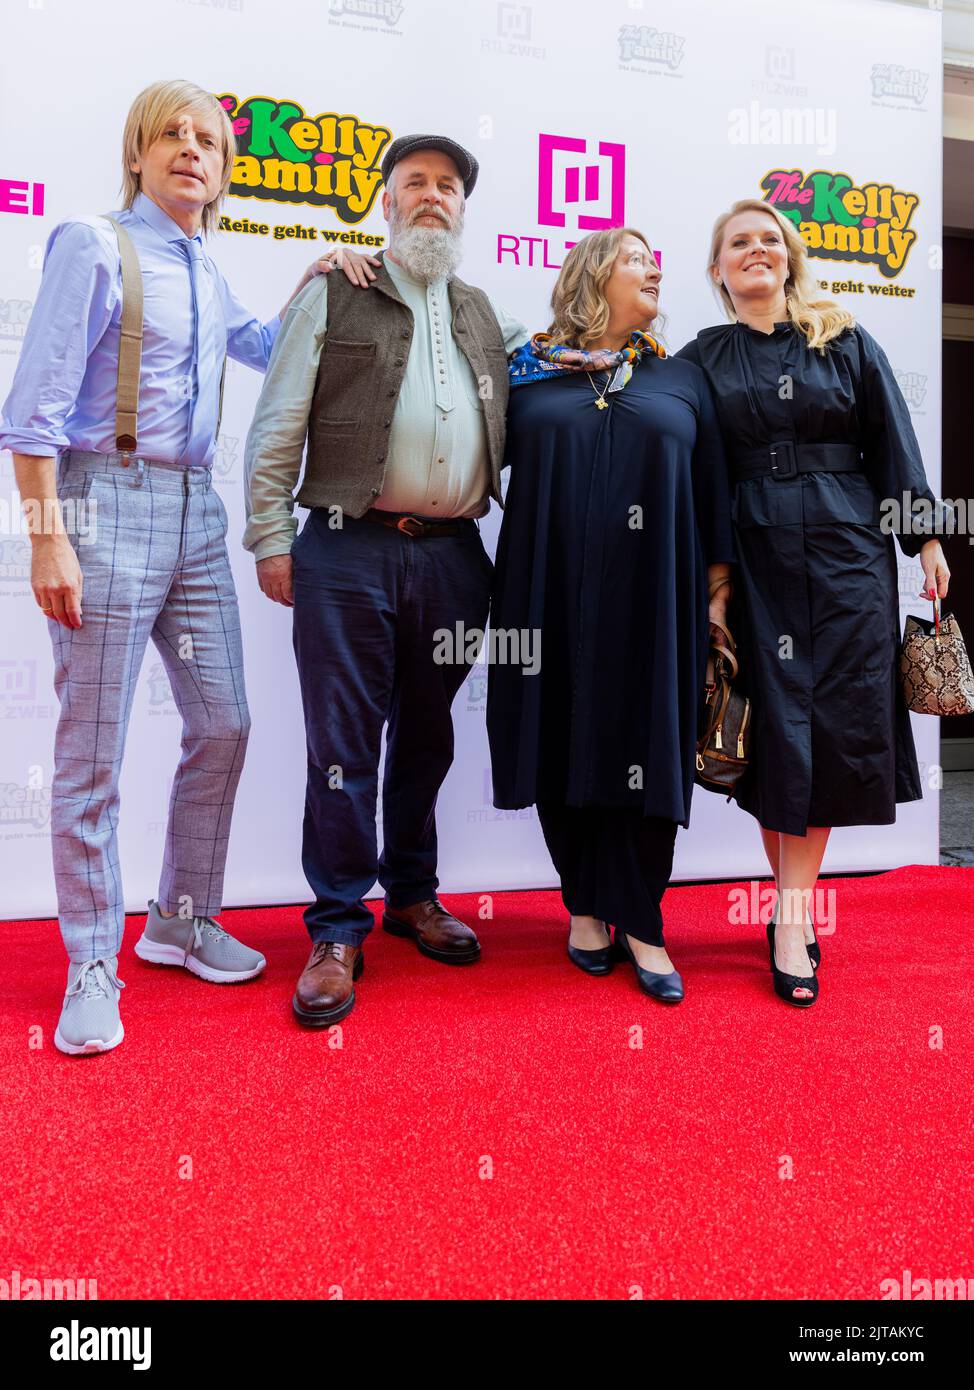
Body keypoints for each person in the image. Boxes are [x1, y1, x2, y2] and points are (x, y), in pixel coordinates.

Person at [0, 79, 351, 1055]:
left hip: (198, 511)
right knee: (93, 749)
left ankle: (178, 917)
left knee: (225, 720)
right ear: (139, 153)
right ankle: (88, 958)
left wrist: (320, 280)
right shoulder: (94, 243)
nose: (192, 148)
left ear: (226, 172)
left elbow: (270, 347)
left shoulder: (203, 264)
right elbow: (30, 412)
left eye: (209, 140)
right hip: (103, 502)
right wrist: (47, 535)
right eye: (172, 135)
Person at [244, 134, 529, 1027]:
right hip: (344, 549)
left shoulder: (488, 315)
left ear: (462, 207)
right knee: (341, 746)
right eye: (416, 183)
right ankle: (336, 928)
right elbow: (277, 417)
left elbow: (563, 357)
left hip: (454, 558)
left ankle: (411, 895)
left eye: (448, 186)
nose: (433, 197)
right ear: (386, 202)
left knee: (429, 738)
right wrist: (269, 537)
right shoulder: (338, 288)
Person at [676, 198, 951, 1007]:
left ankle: (791, 913)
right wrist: (717, 584)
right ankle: (791, 913)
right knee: (775, 734)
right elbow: (701, 475)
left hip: (846, 554)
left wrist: (926, 539)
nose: (756, 250)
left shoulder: (845, 339)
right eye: (738, 243)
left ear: (790, 257)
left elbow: (893, 440)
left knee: (829, 729)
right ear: (720, 269)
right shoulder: (701, 360)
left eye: (770, 239)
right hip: (755, 554)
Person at [486, 228, 735, 1004]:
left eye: (656, 258)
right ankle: (585, 906)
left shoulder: (682, 378)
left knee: (648, 741)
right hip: (547, 588)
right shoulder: (523, 377)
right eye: (637, 259)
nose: (656, 267)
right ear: (594, 276)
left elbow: (715, 494)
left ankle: (642, 917)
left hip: (658, 594)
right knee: (557, 735)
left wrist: (718, 599)